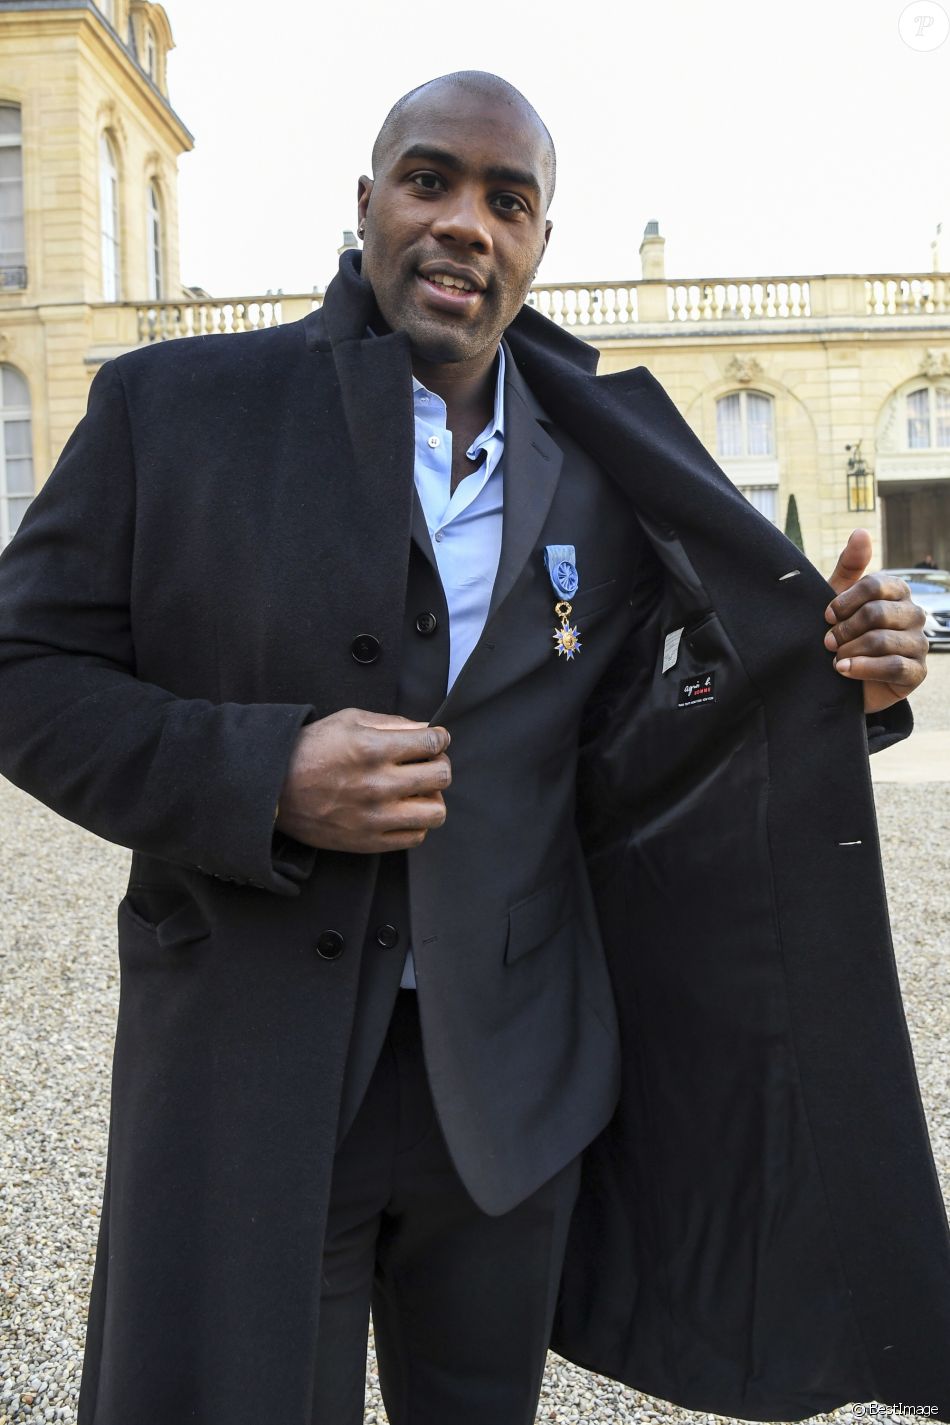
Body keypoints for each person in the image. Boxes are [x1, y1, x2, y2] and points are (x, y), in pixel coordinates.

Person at [0, 71, 947, 1425]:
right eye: (429, 179)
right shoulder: (175, 410)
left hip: (508, 1095)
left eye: (507, 201)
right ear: (366, 202)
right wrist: (263, 772)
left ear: (539, 243)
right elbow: (24, 669)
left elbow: (617, 760)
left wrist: (823, 692)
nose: (464, 224)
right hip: (251, 1078)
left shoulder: (597, 463)